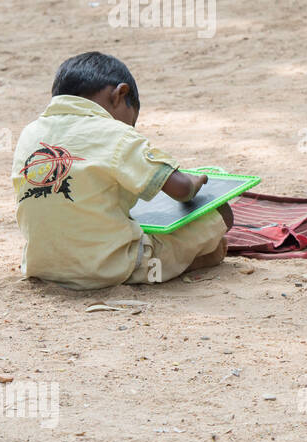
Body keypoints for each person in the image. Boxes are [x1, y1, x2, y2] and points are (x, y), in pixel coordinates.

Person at [13, 51, 229, 290]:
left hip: (41, 265)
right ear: (120, 94)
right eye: (131, 120)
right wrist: (195, 180)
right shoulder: (115, 133)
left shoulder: (29, 133)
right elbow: (181, 189)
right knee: (221, 213)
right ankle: (192, 261)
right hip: (107, 268)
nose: (129, 127)